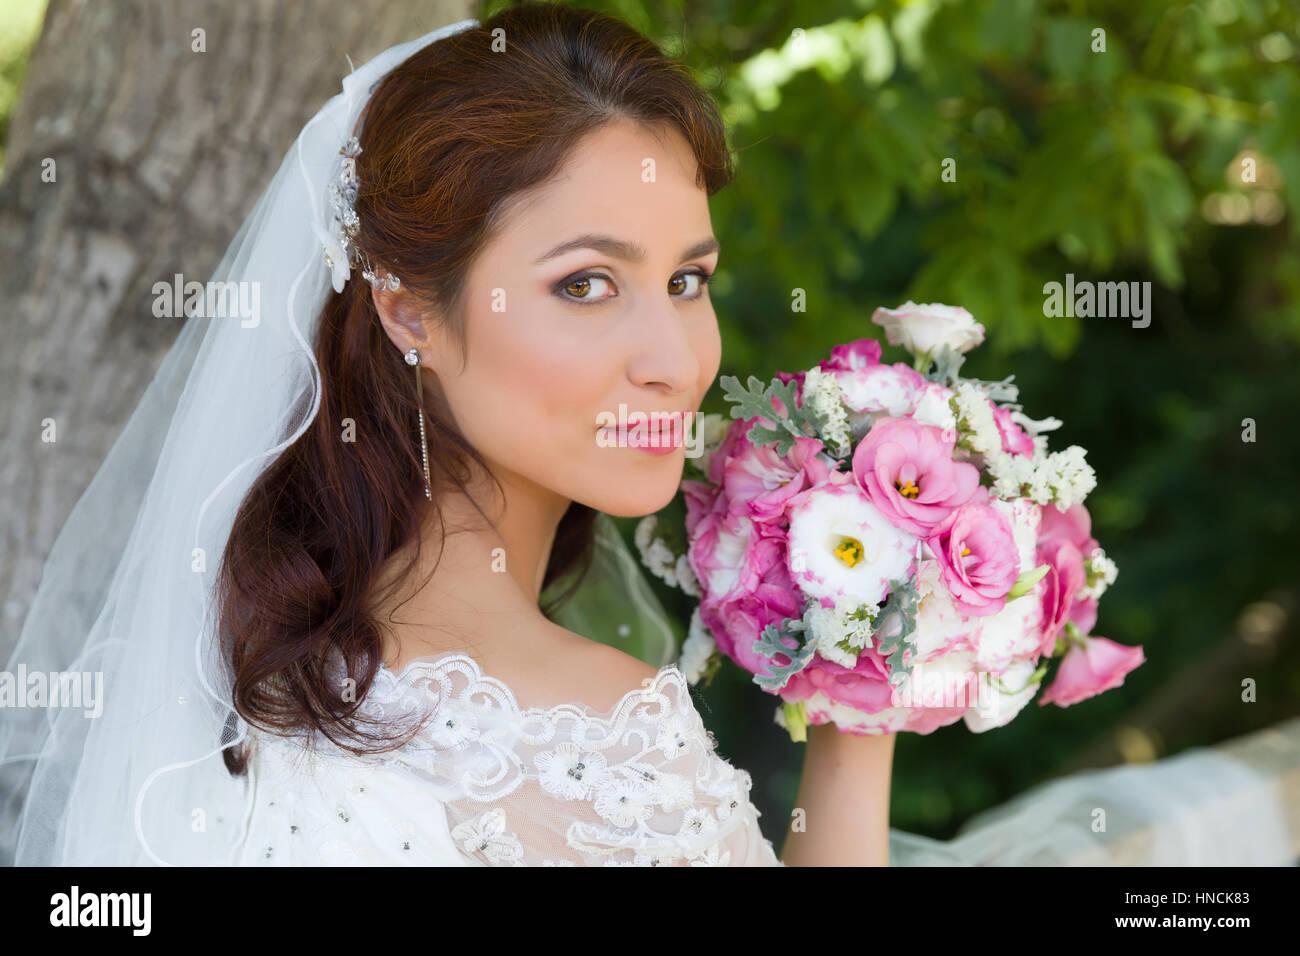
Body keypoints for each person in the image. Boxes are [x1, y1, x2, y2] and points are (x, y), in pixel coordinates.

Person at [0, 4, 894, 867]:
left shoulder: (263, 679)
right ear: (409, 312)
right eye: (585, 284)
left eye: (688, 281)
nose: (673, 358)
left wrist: (860, 694)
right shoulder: (604, 728)